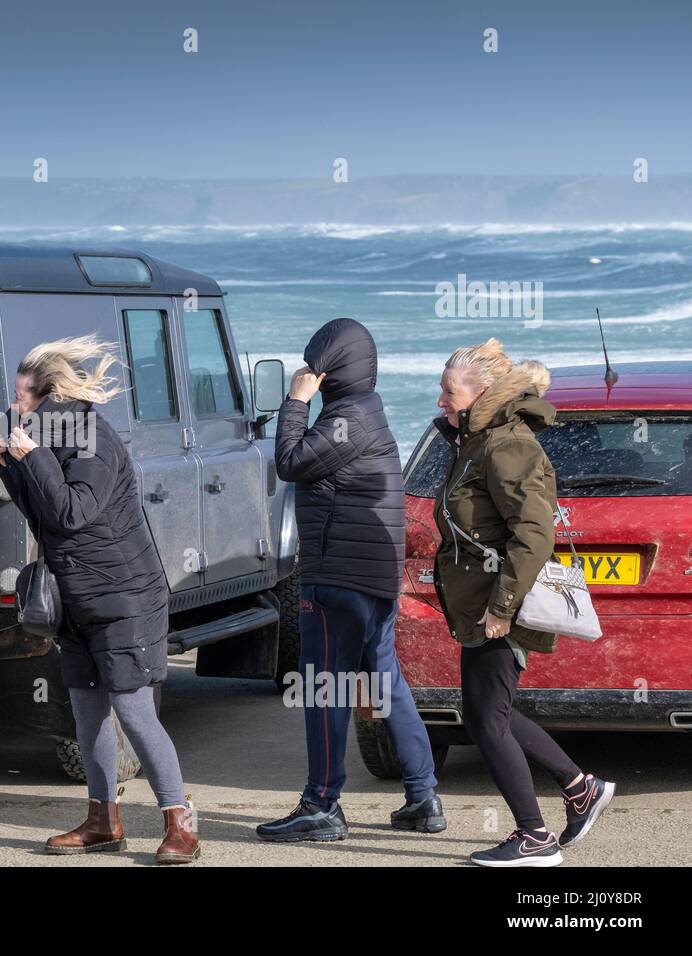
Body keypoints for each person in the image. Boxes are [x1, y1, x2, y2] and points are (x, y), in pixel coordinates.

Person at [0, 335, 199, 864]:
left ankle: (181, 824)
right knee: (85, 715)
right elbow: (43, 512)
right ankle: (102, 820)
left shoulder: (93, 440)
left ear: (52, 398)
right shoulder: (53, 435)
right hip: (77, 598)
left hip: (125, 598)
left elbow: (71, 513)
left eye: (23, 398)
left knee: (133, 711)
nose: (16, 407)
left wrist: (30, 456)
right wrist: (8, 465)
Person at [257, 317, 445, 843]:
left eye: (314, 366)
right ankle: (422, 797)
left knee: (324, 689)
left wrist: (295, 401)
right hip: (370, 579)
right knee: (385, 684)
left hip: (337, 578)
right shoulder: (367, 412)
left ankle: (320, 804)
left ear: (329, 369)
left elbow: (290, 462)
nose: (308, 374)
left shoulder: (346, 422)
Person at [433, 339, 614, 867]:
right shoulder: (478, 438)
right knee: (490, 712)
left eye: (449, 390)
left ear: (482, 392)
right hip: (480, 601)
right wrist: (455, 427)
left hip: (500, 604)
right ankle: (581, 788)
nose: (441, 398)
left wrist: (502, 607)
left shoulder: (507, 445)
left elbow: (533, 534)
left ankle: (534, 838)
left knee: (486, 721)